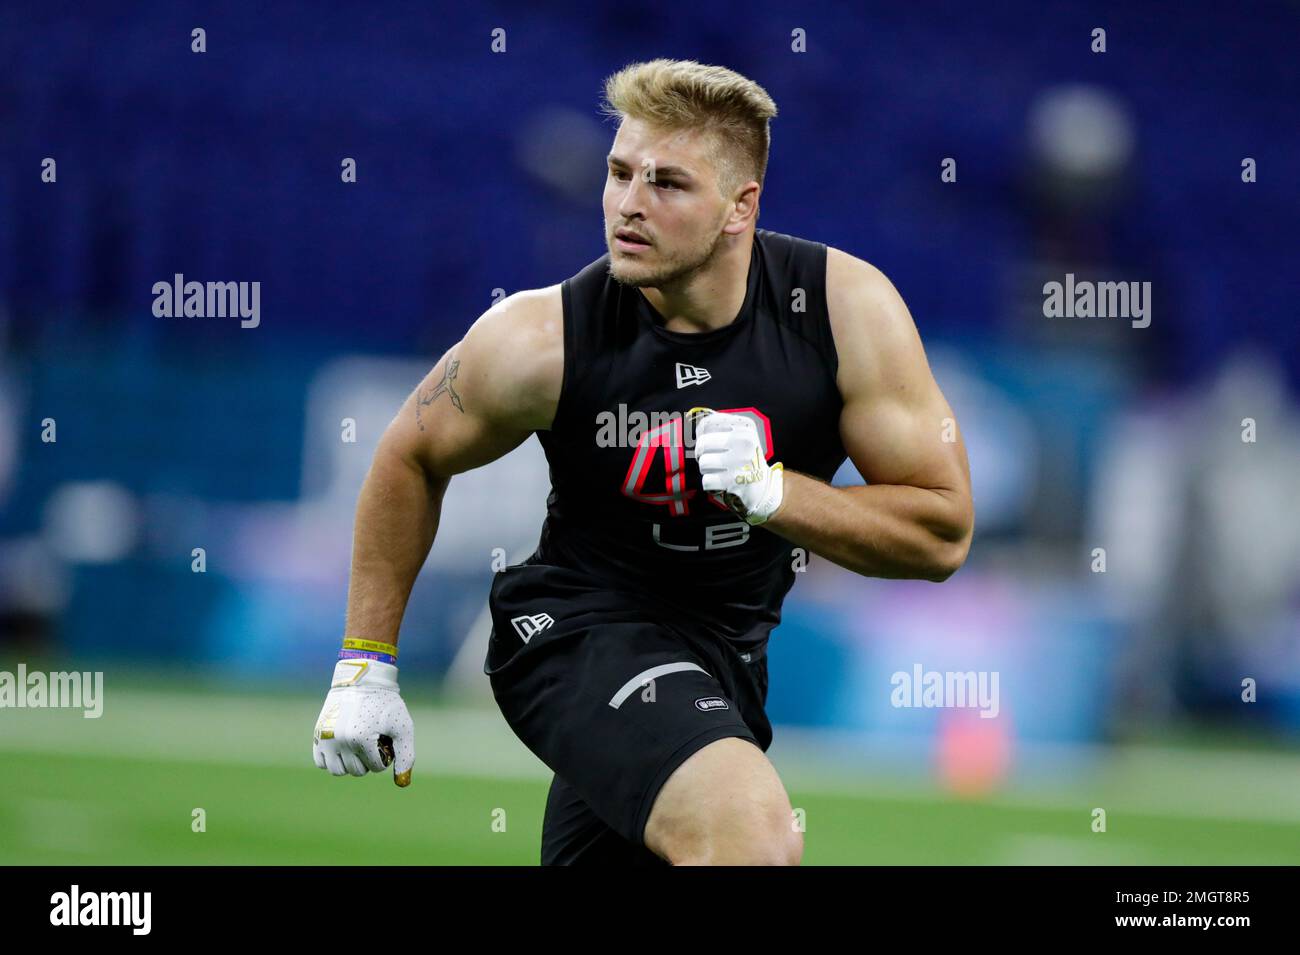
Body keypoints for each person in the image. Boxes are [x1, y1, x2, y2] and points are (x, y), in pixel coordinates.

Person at [312, 59, 974, 866]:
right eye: (619, 172)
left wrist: (771, 492)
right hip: (574, 629)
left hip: (726, 659)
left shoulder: (843, 312)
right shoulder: (541, 338)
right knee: (753, 837)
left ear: (741, 208)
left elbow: (941, 532)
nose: (629, 203)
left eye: (667, 183)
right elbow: (409, 454)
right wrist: (365, 665)